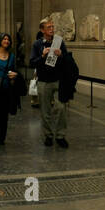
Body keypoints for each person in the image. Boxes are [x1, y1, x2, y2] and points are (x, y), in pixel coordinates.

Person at [33, 18, 79, 148]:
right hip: (43, 81)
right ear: (42, 30)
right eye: (49, 27)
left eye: (53, 27)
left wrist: (61, 55)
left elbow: (68, 61)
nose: (52, 29)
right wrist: (42, 56)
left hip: (59, 80)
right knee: (45, 110)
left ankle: (60, 135)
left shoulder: (59, 42)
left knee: (60, 107)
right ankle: (48, 135)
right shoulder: (37, 44)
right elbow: (32, 63)